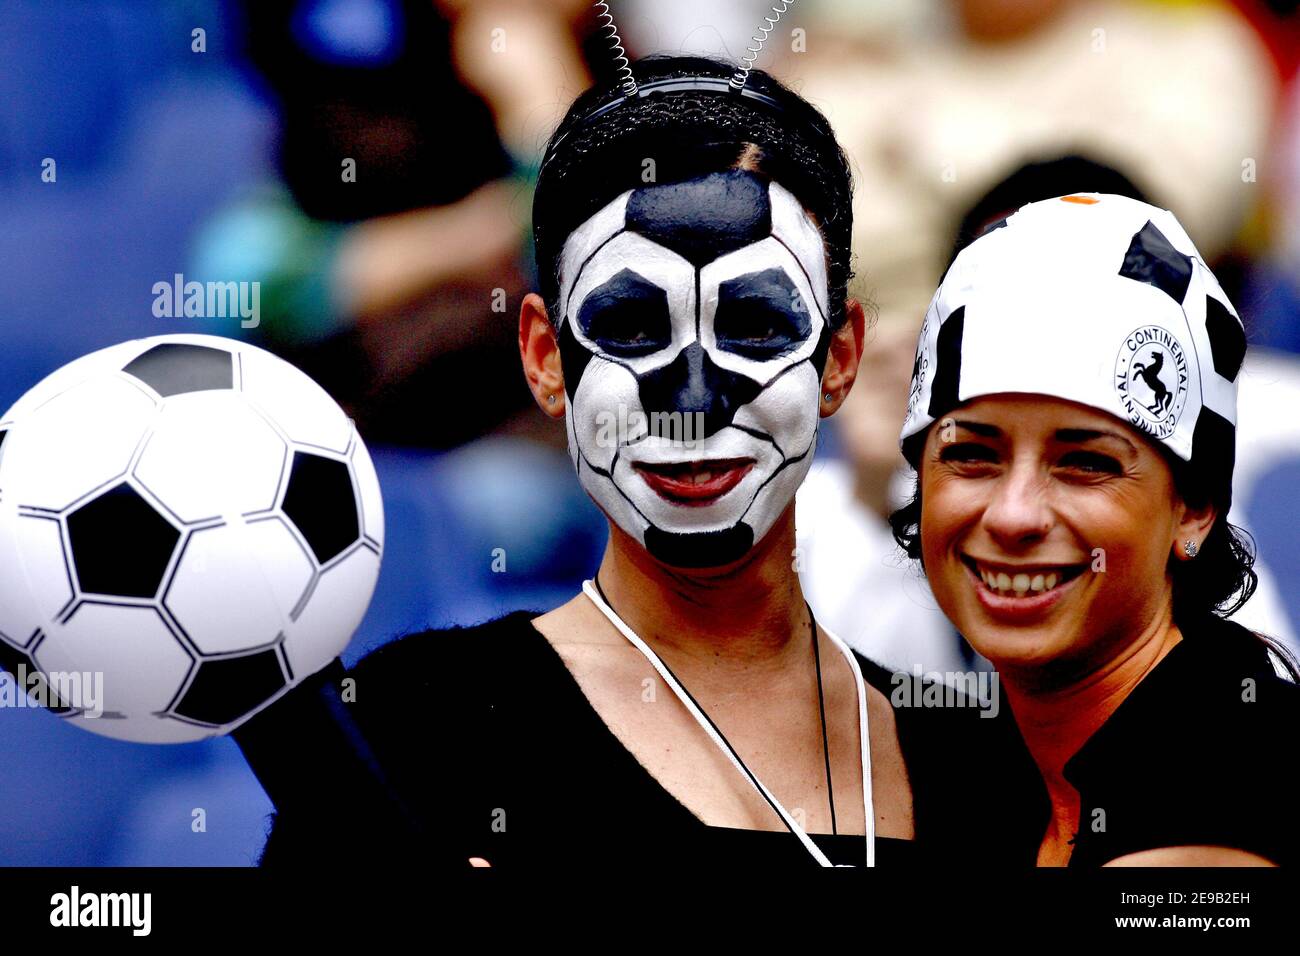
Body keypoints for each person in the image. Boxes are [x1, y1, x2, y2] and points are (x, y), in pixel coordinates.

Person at [257, 54, 1015, 870]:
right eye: (631, 326)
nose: (692, 398)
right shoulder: (422, 728)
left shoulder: (985, 765)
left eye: (755, 323)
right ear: (548, 360)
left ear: (838, 359)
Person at [892, 191, 1300, 866]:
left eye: (1084, 463)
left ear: (1194, 508)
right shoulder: (976, 770)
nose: (1014, 514)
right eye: (972, 454)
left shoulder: (1236, 773)